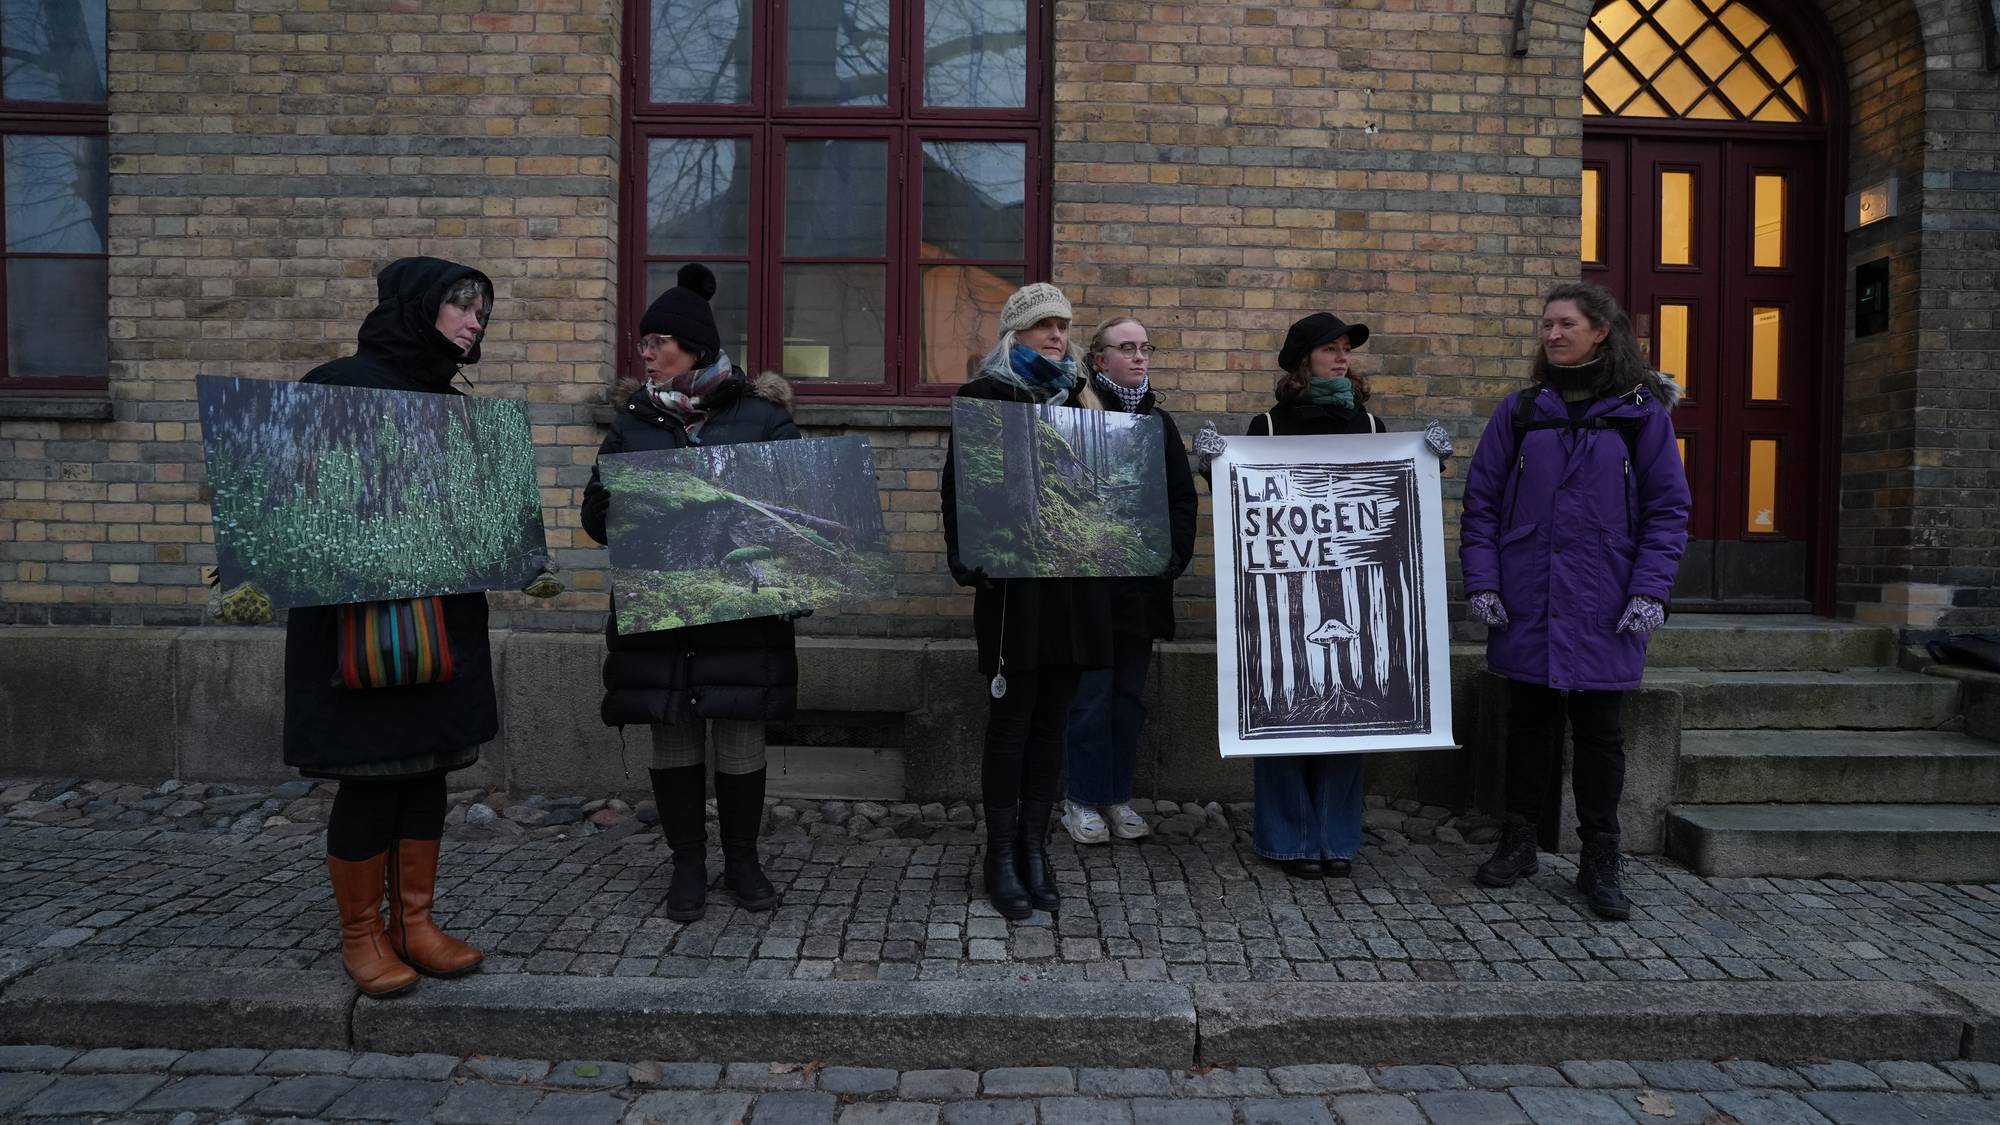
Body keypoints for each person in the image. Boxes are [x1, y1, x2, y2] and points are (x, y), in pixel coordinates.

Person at [286, 256, 498, 997]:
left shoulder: (453, 403)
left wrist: (507, 538)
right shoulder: (337, 385)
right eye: (461, 305)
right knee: (371, 779)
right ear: (417, 307)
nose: (474, 322)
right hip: (362, 625)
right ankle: (361, 935)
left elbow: (469, 514)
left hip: (442, 619)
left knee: (428, 773)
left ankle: (415, 924)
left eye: (481, 311)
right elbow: (297, 498)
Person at [1459, 281, 1690, 920]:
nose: (1553, 334)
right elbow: (1481, 504)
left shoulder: (1641, 413)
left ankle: (1600, 858)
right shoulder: (1521, 409)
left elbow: (1668, 510)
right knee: (1528, 726)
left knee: (1600, 735)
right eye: (1546, 325)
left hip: (1604, 599)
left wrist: (1649, 590)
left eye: (1565, 324)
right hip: (1529, 594)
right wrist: (1483, 581)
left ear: (1601, 332)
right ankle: (1518, 841)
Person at [581, 264, 801, 924]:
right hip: (663, 610)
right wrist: (623, 502)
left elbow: (794, 511)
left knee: (739, 735)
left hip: (741, 610)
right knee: (673, 733)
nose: (646, 353)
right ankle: (687, 863)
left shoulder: (762, 417)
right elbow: (595, 517)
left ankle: (743, 860)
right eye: (643, 343)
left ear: (695, 347)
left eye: (658, 342)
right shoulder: (634, 422)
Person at [940, 282, 1114, 920]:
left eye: (1063, 326)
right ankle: (1000, 854)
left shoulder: (1083, 400)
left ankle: (1035, 850)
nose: (1057, 336)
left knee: (1053, 724)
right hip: (1015, 589)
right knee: (1012, 723)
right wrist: (970, 558)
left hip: (1074, 589)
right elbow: (958, 487)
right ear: (1015, 333)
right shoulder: (985, 397)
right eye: (1044, 325)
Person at [1198, 312, 1389, 880]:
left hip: (1353, 590)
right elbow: (1248, 506)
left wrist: (1427, 463)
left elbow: (1389, 507)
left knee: (1349, 707)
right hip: (1281, 593)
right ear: (1304, 360)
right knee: (1283, 705)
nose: (1342, 357)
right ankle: (1289, 838)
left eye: (1346, 349)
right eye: (1330, 349)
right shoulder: (1269, 426)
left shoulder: (1371, 427)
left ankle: (1335, 837)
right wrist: (1216, 469)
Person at [1058, 317, 1197, 845]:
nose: (1140, 357)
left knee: (1127, 699)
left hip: (1141, 587)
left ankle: (1117, 795)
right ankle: (1080, 797)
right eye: (1127, 348)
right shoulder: (1074, 413)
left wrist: (1172, 558)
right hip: (1088, 587)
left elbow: (1181, 497)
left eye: (1145, 348)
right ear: (1100, 359)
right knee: (1090, 695)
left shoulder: (1158, 422)